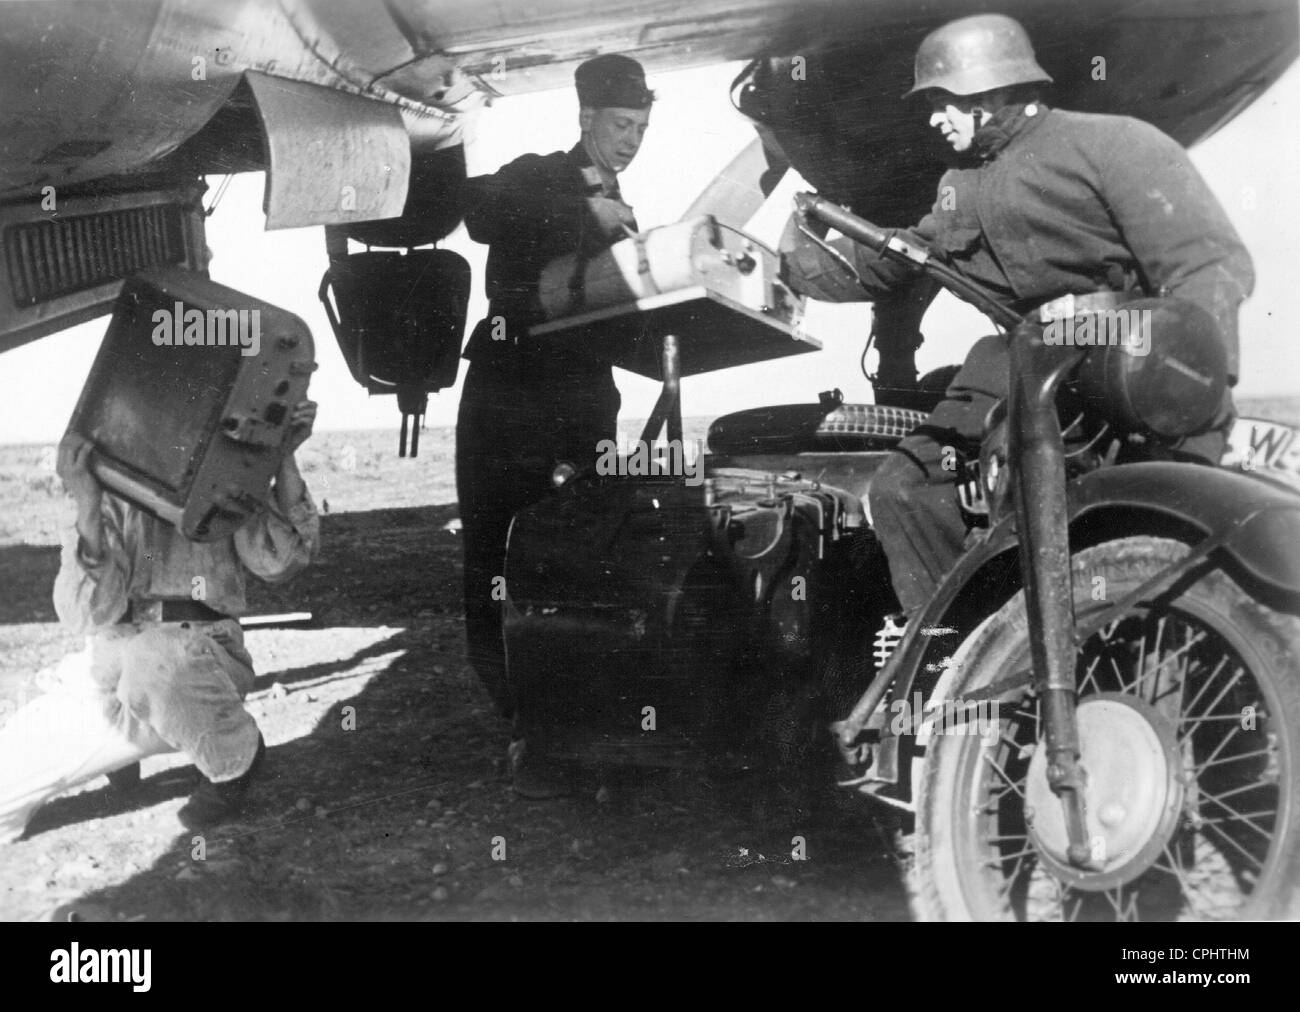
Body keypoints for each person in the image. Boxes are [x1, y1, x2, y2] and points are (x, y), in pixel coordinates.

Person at [780, 12, 1253, 620]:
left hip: (1131, 366)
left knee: (1120, 525)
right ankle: (962, 656)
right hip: (1023, 359)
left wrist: (1186, 389)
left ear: (993, 92)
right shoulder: (961, 184)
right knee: (907, 489)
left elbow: (1209, 266)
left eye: (944, 102)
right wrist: (789, 269)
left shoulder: (1116, 145)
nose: (932, 118)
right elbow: (901, 261)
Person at [455, 54, 654, 797]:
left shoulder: (621, 200)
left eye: (640, 127)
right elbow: (479, 214)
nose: (631, 140)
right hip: (508, 396)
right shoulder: (540, 172)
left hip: (580, 396)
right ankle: (522, 721)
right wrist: (583, 214)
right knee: (499, 555)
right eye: (620, 125)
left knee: (587, 554)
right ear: (586, 119)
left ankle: (581, 723)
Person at [0, 401, 320, 842]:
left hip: (193, 661)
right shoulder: (107, 483)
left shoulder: (224, 479)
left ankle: (235, 758)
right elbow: (85, 615)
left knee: (153, 661)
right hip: (112, 665)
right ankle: (120, 757)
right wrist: (87, 503)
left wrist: (281, 456)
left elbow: (284, 560)